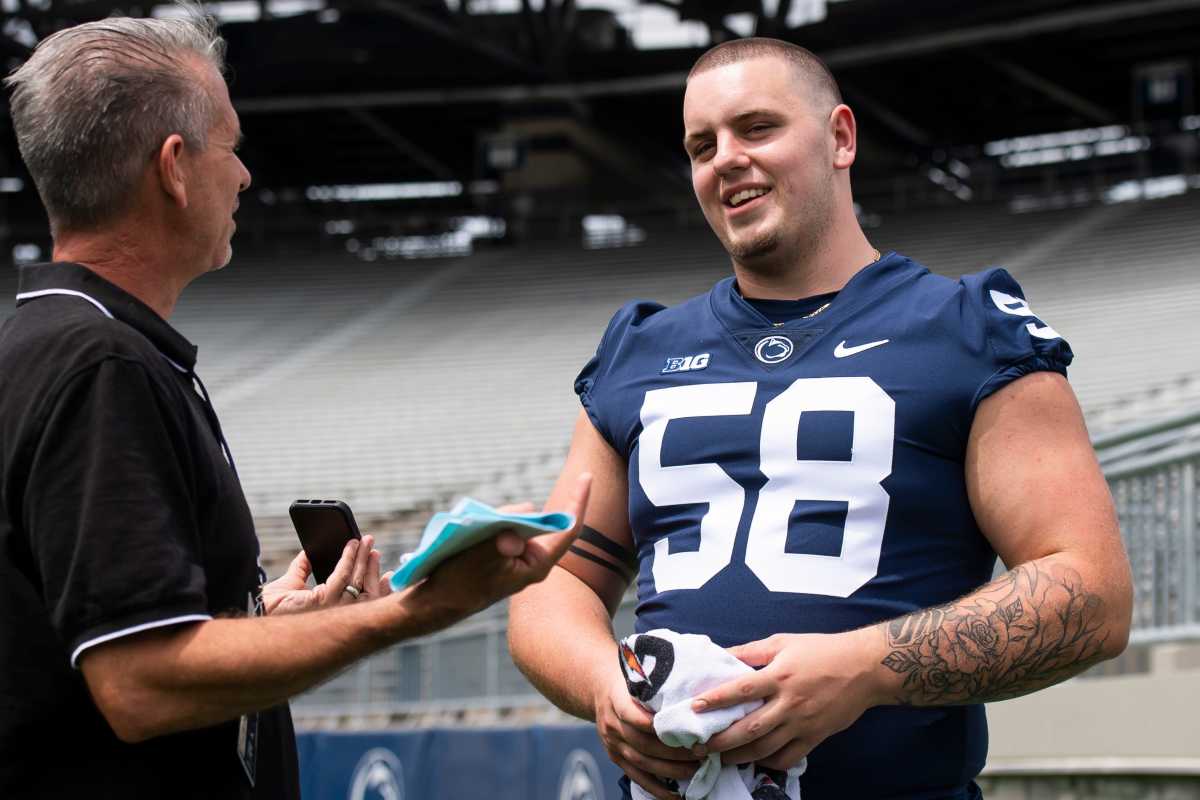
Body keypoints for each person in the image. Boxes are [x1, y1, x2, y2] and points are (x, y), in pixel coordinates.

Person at [508, 37, 1132, 800]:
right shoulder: (639, 348)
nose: (724, 159)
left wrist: (865, 669)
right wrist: (607, 686)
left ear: (840, 137)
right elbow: (553, 582)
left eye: (757, 128)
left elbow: (1091, 594)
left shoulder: (967, 326)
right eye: (701, 146)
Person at [0, 12, 591, 798]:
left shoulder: (58, 342)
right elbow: (138, 682)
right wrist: (415, 611)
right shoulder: (101, 363)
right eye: (232, 146)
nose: (244, 175)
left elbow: (92, 648)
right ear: (174, 167)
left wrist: (263, 619)